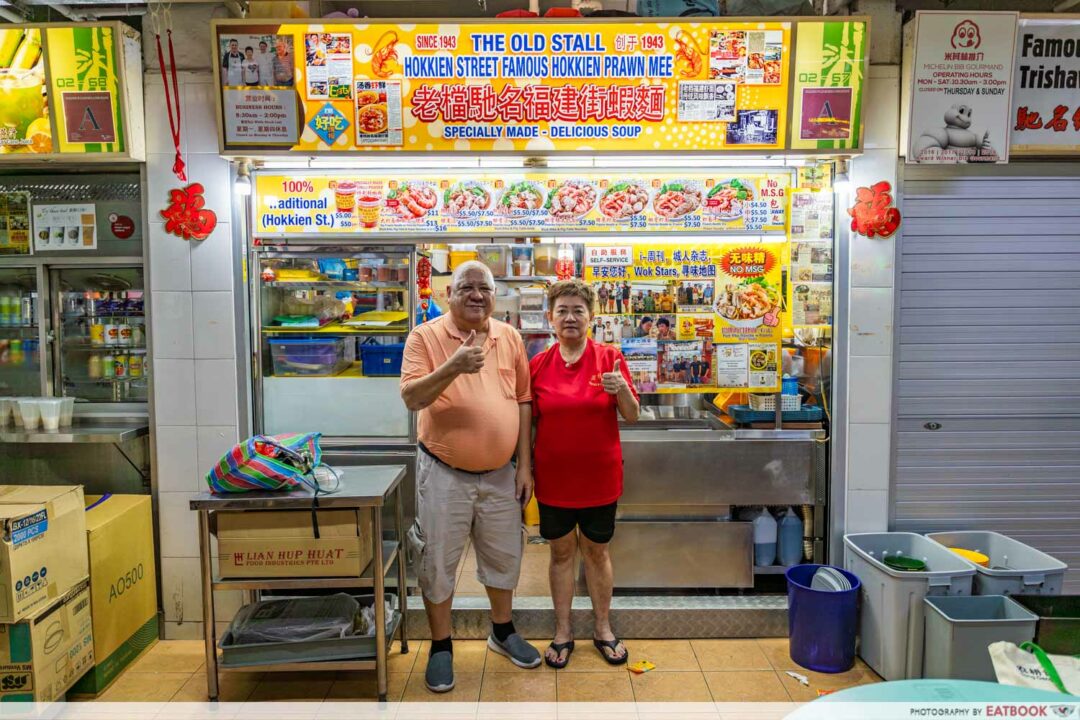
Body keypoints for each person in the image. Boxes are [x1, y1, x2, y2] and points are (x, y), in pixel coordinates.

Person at [400, 261, 542, 693]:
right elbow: (411, 397)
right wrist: (453, 367)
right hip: (444, 474)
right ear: (449, 295)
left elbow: (522, 400)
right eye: (466, 288)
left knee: (504, 557)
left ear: (494, 295)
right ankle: (441, 646)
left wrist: (524, 466)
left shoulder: (509, 336)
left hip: (502, 475)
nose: (476, 295)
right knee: (438, 561)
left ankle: (502, 632)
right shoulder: (424, 337)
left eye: (484, 288)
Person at [529, 280, 639, 669]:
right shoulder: (538, 365)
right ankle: (562, 631)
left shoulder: (609, 357)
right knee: (561, 553)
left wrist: (621, 389)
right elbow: (528, 424)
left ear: (591, 317)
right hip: (554, 481)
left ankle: (603, 628)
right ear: (550, 318)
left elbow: (632, 414)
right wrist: (524, 471)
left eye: (578, 310)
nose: (570, 317)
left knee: (597, 551)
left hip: (599, 479)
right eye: (562, 311)